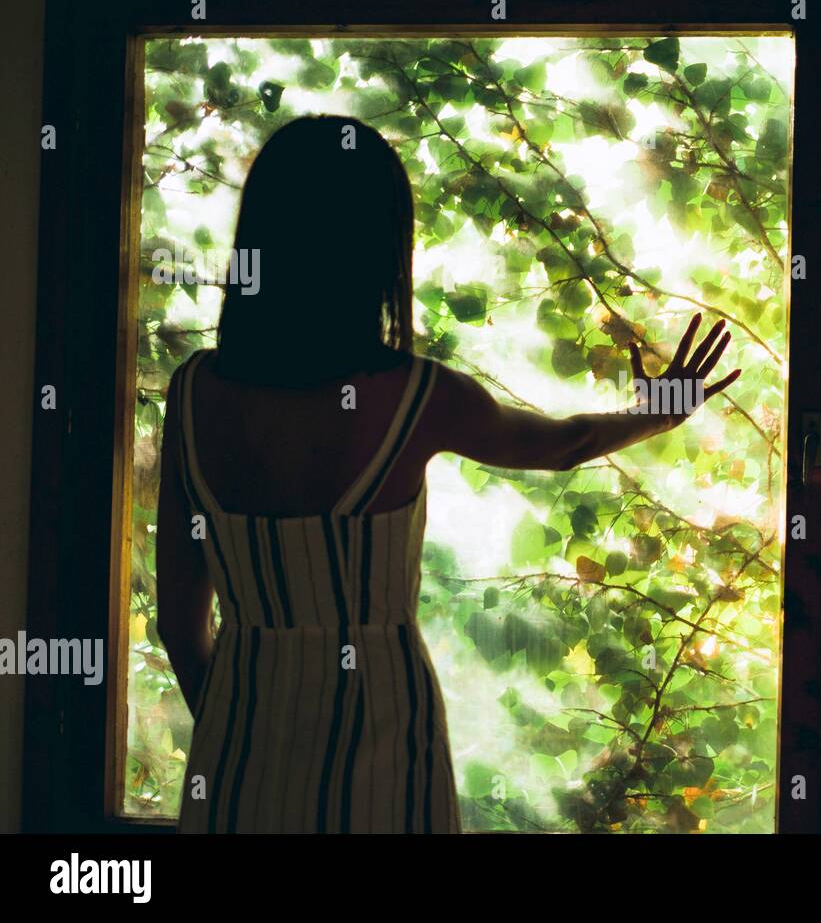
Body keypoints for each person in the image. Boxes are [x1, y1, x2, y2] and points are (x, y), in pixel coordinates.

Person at [155, 115, 740, 833]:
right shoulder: (416, 396)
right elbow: (565, 443)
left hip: (237, 757)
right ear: (373, 252)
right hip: (381, 744)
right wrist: (660, 411)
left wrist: (242, 730)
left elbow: (182, 628)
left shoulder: (192, 396)